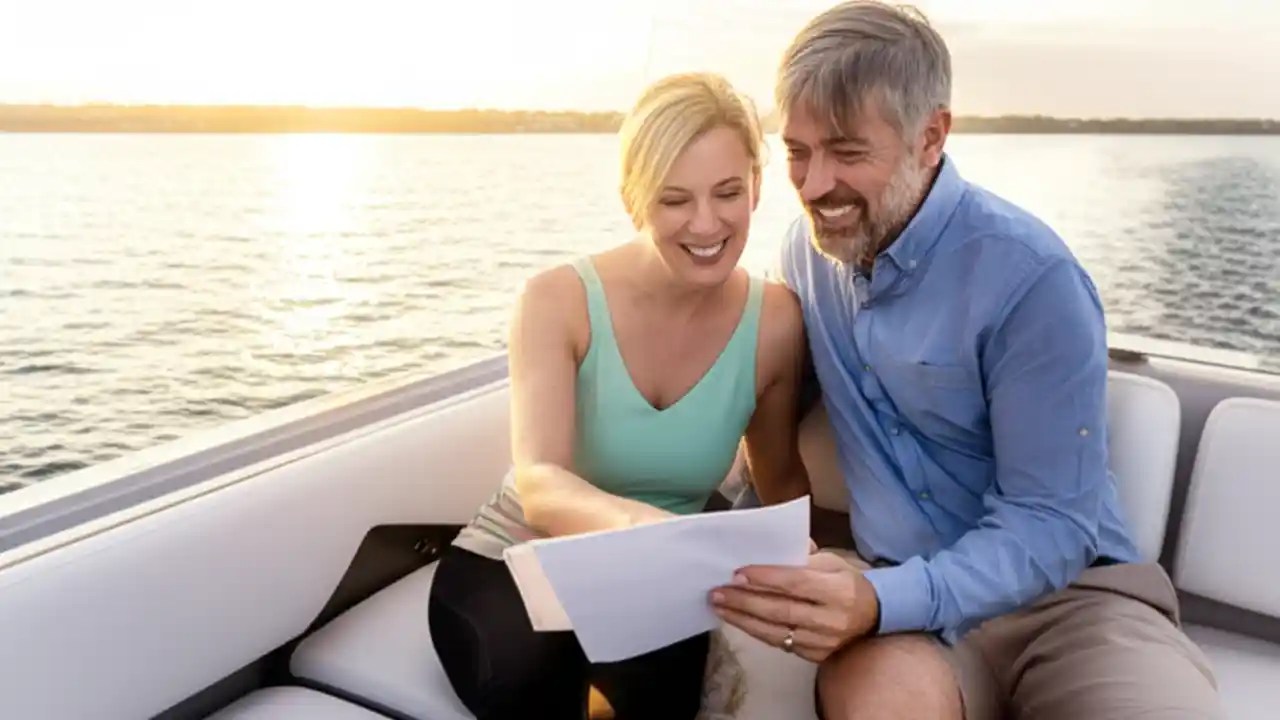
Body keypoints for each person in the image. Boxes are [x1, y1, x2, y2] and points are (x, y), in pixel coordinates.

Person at [709, 2, 1224, 719]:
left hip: (1073, 602)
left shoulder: (1031, 278)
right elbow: (755, 411)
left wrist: (878, 599)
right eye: (797, 151)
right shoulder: (801, 258)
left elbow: (1051, 522)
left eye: (848, 152)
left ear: (932, 137)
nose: (815, 183)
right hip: (899, 607)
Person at [428, 71, 811, 720]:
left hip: (663, 583)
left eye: (727, 193)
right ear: (634, 199)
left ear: (756, 186)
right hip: (516, 559)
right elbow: (542, 484)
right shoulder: (555, 300)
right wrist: (652, 531)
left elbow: (777, 475)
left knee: (651, 697)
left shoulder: (774, 321)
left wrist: (828, 565)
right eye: (674, 200)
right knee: (527, 683)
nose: (706, 223)